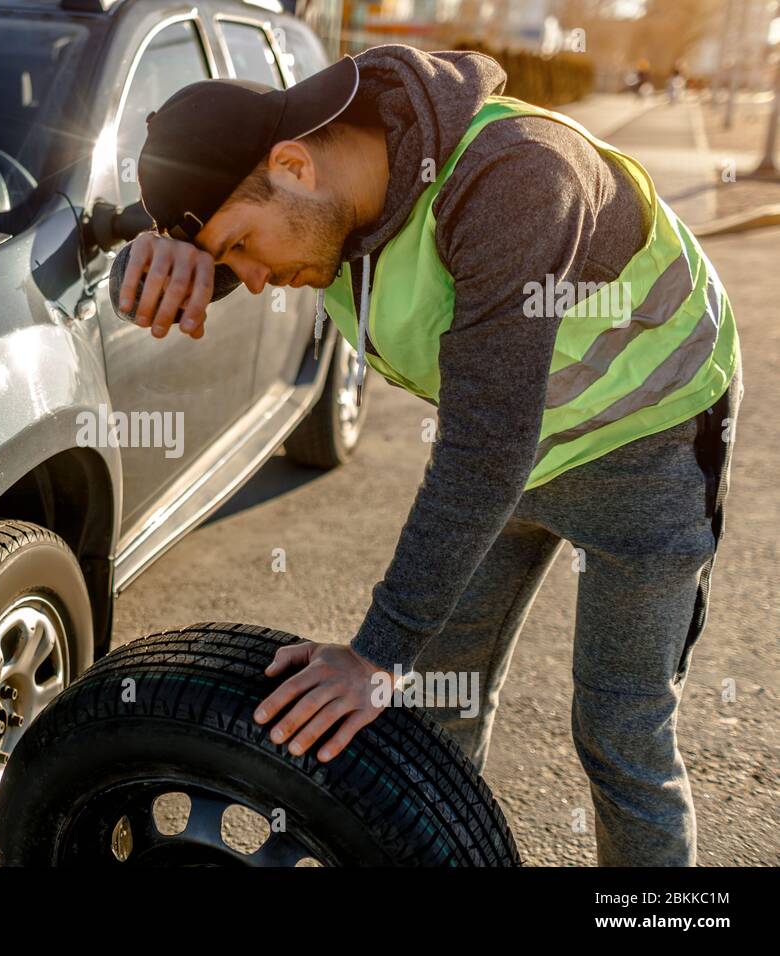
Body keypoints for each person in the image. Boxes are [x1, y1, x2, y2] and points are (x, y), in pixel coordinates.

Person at [113, 45, 742, 866]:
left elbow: (487, 440)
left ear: (294, 163)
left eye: (238, 248)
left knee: (622, 740)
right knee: (437, 714)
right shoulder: (323, 199)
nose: (252, 280)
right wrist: (156, 249)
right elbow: (194, 232)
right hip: (503, 464)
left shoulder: (518, 177)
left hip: (646, 451)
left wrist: (375, 652)